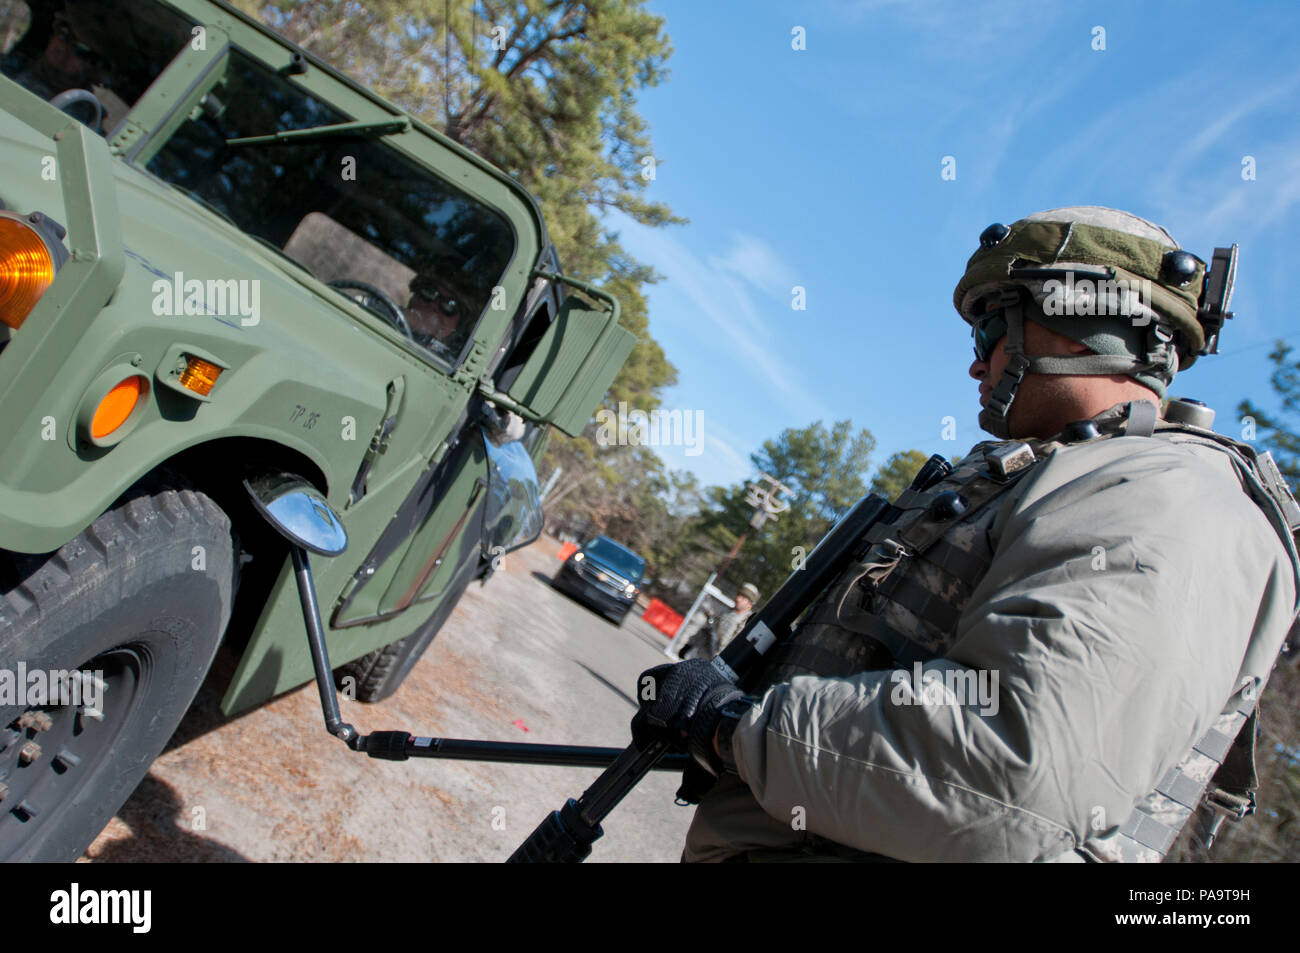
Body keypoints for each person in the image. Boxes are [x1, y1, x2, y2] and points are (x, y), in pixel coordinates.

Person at [632, 207, 1300, 862]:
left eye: (989, 331)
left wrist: (729, 728)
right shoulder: (1048, 473)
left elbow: (1006, 773)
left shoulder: (1168, 494)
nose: (976, 365)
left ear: (1079, 326)